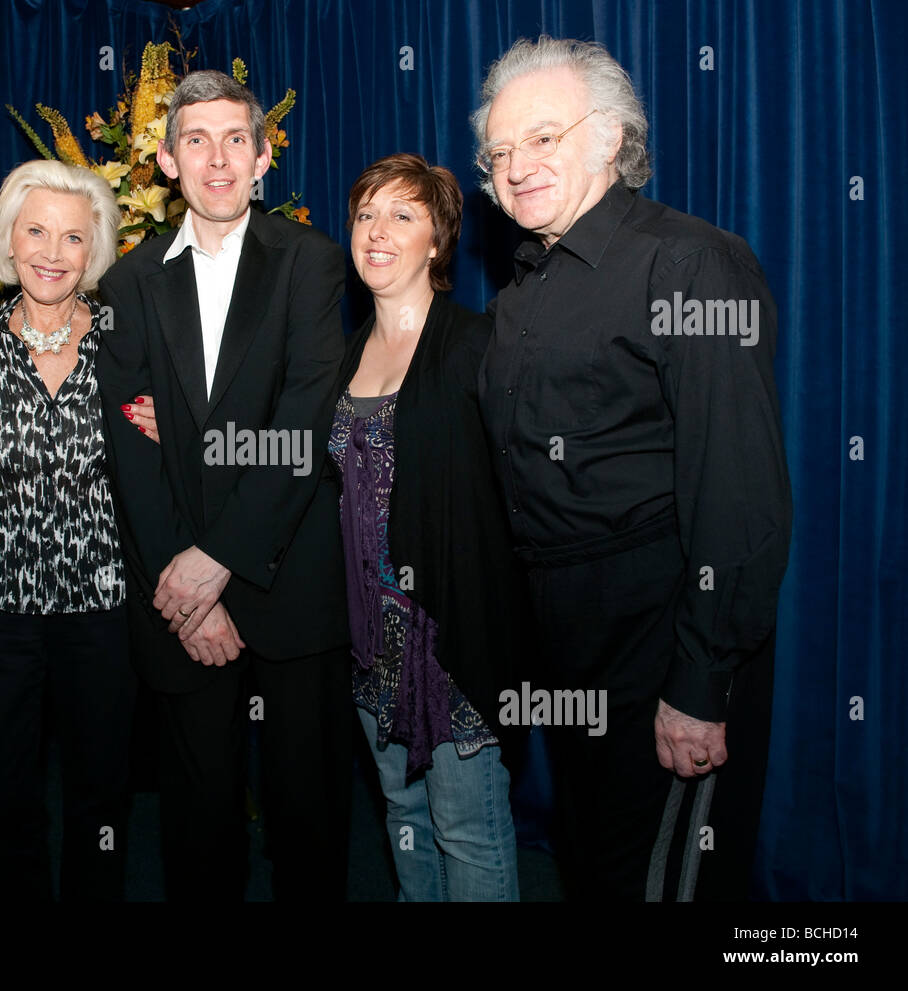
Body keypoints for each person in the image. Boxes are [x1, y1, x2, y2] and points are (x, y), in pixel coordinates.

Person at [472, 36, 792, 900]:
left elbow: (740, 494)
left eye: (543, 137)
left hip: (664, 636)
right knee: (599, 867)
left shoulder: (690, 263)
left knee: (668, 881)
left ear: (611, 138)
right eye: (499, 152)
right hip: (570, 645)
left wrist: (700, 681)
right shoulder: (520, 295)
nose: (515, 166)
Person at [96, 69, 353, 901]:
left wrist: (223, 560)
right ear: (166, 160)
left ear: (263, 156)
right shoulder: (129, 280)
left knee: (307, 817)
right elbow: (128, 445)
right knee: (197, 824)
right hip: (178, 595)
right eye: (196, 141)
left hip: (287, 584)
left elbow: (303, 419)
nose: (217, 160)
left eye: (235, 140)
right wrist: (192, 580)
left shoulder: (309, 263)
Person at [327, 154, 529, 900]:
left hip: (452, 635)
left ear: (439, 242)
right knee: (403, 815)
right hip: (369, 639)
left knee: (467, 829)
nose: (378, 232)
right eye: (366, 214)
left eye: (402, 216)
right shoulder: (345, 353)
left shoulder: (477, 345)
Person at [0, 160, 133, 902]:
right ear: (7, 238)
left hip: (102, 606)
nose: (52, 252)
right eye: (36, 230)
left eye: (72, 237)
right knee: (5, 793)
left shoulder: (129, 347)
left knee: (102, 796)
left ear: (93, 252)